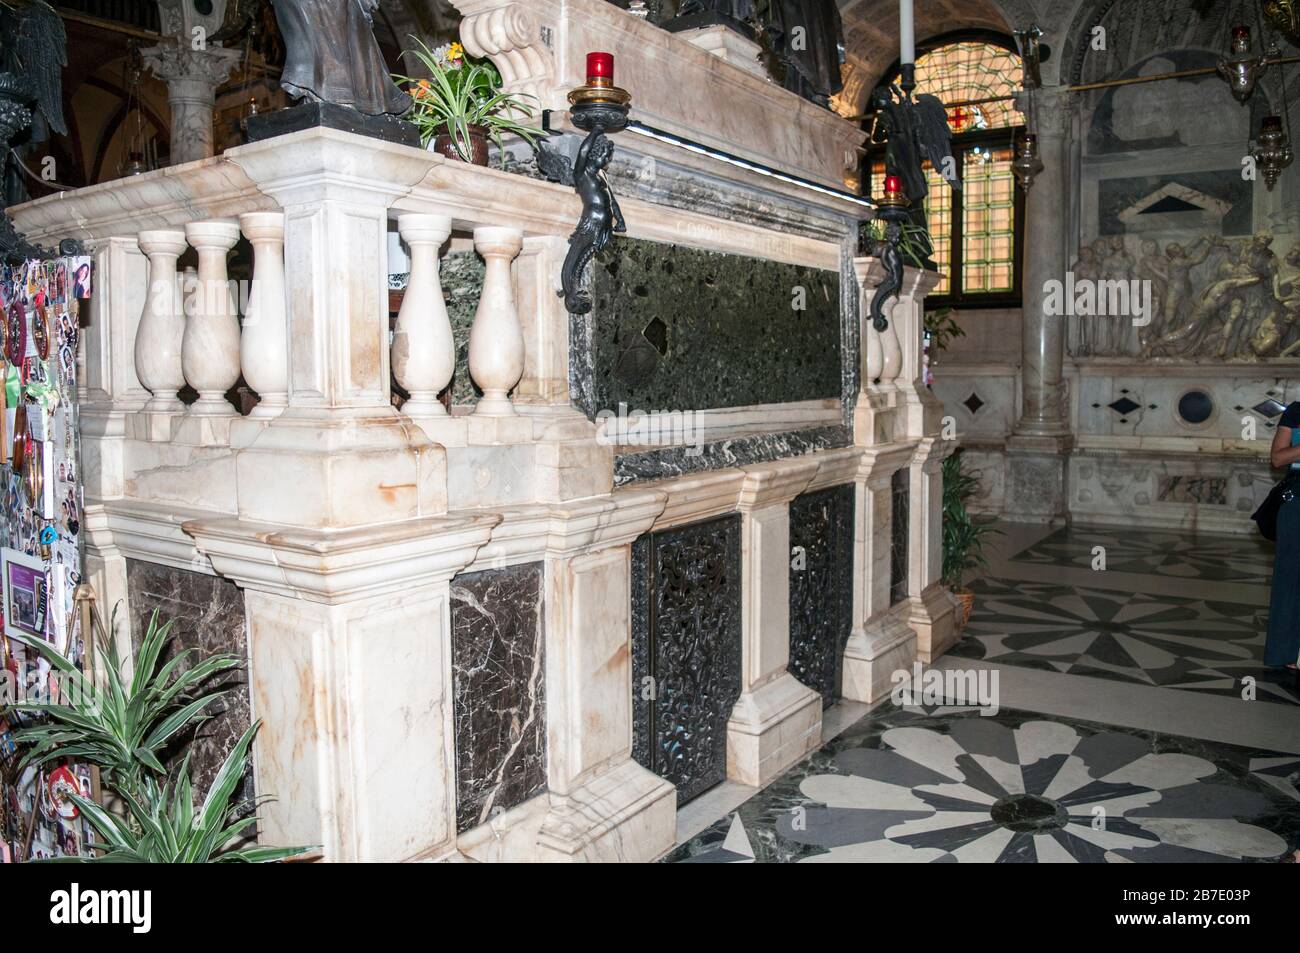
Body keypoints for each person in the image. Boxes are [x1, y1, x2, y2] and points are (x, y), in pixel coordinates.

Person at [1265, 400, 1300, 692]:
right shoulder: (1296, 411)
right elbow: (1278, 459)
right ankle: (1286, 652)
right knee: (1289, 577)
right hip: (1296, 504)